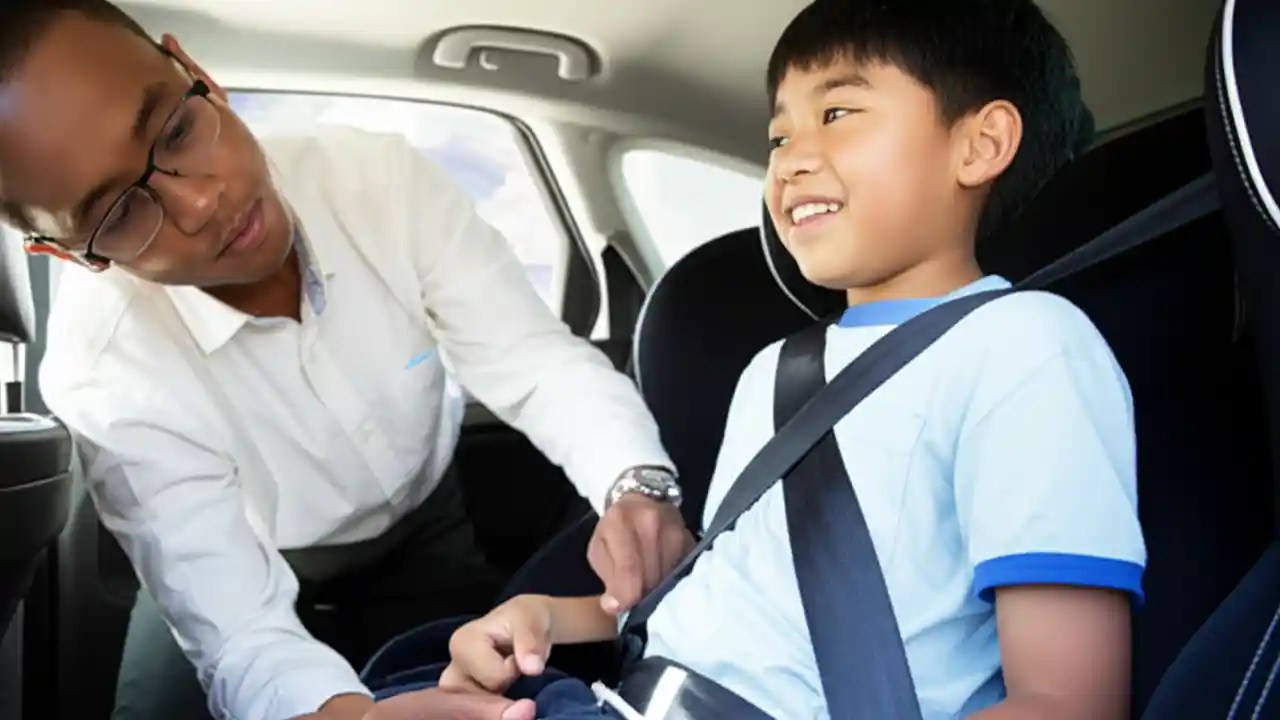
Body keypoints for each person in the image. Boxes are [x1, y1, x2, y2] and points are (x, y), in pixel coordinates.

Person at [389, 0, 1147, 718]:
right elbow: (730, 603)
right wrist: (547, 618)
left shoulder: (1025, 344)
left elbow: (1066, 702)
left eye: (837, 114)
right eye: (780, 138)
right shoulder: (774, 370)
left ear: (979, 145)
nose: (789, 162)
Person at [0, 2, 695, 719]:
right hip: (252, 555)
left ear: (196, 71)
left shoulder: (383, 182)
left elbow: (533, 362)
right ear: (68, 255)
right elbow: (240, 631)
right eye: (120, 215)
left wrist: (634, 483)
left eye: (177, 129)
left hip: (427, 519)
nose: (200, 203)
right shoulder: (103, 373)